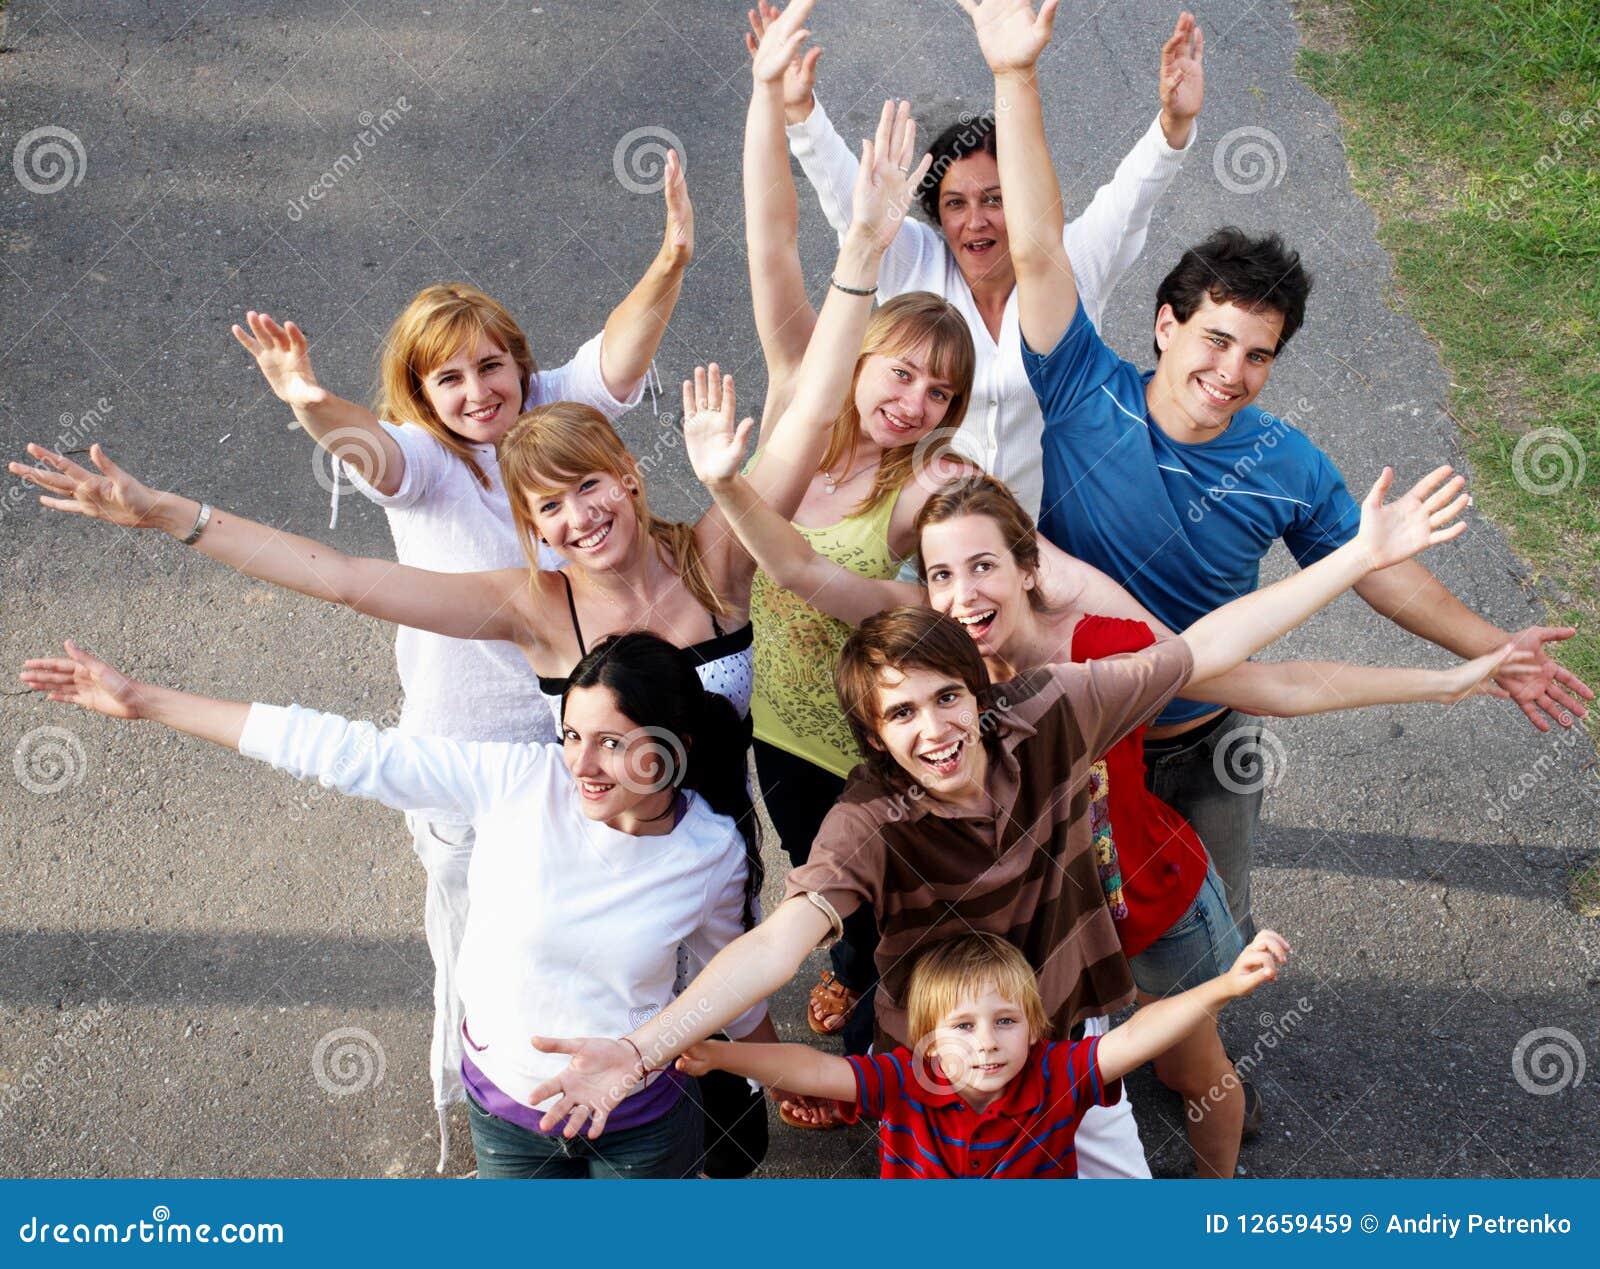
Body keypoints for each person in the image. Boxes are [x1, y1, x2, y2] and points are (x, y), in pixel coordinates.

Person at [518, 459, 1472, 1156]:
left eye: (946, 698)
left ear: (980, 689)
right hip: (936, 1069)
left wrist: (1357, 558)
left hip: (1062, 1037)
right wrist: (643, 1049)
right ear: (874, 737)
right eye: (900, 714)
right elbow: (777, 943)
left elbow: (1214, 645)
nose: (933, 728)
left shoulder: (1052, 705)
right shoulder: (868, 820)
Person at [964, 0, 1593, 955]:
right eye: (1216, 339)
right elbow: (1038, 249)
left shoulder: (1284, 462)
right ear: (1167, 325)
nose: (1232, 372)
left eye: (1259, 354)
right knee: (1072, 928)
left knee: (1214, 930)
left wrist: (1495, 648)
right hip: (1081, 729)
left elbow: (1377, 567)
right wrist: (1015, 74)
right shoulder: (1082, 383)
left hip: (1211, 736)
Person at [20, 632, 777, 1180]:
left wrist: (774, 1078)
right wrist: (145, 700)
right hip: (507, 1112)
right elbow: (347, 751)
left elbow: (731, 981)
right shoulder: (518, 780)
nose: (580, 763)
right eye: (572, 733)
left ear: (672, 744)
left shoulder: (709, 853)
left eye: (611, 742)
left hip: (642, 1120)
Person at [741, 1, 973, 1069]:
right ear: (863, 351)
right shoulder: (800, 391)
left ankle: (886, 1061)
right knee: (814, 876)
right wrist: (767, 99)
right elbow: (770, 240)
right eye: (903, 372)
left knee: (885, 897)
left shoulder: (920, 483)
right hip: (780, 727)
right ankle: (846, 971)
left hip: (872, 746)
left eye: (940, 393)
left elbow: (963, 542)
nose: (914, 402)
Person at [751, 0, 1204, 516]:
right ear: (937, 216)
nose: (976, 220)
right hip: (920, 526)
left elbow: (1131, 198)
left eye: (995, 199)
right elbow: (850, 200)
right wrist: (800, 112)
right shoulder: (912, 260)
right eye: (955, 204)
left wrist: (1173, 124)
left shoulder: (1073, 259)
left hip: (1047, 523)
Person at [677, 929, 1289, 1179]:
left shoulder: (1056, 1072)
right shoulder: (902, 1079)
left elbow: (1138, 1035)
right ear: (927, 1038)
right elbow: (811, 1067)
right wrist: (723, 1057)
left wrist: (1225, 985)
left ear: (1035, 1027)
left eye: (1005, 1021)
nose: (987, 1041)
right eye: (963, 1026)